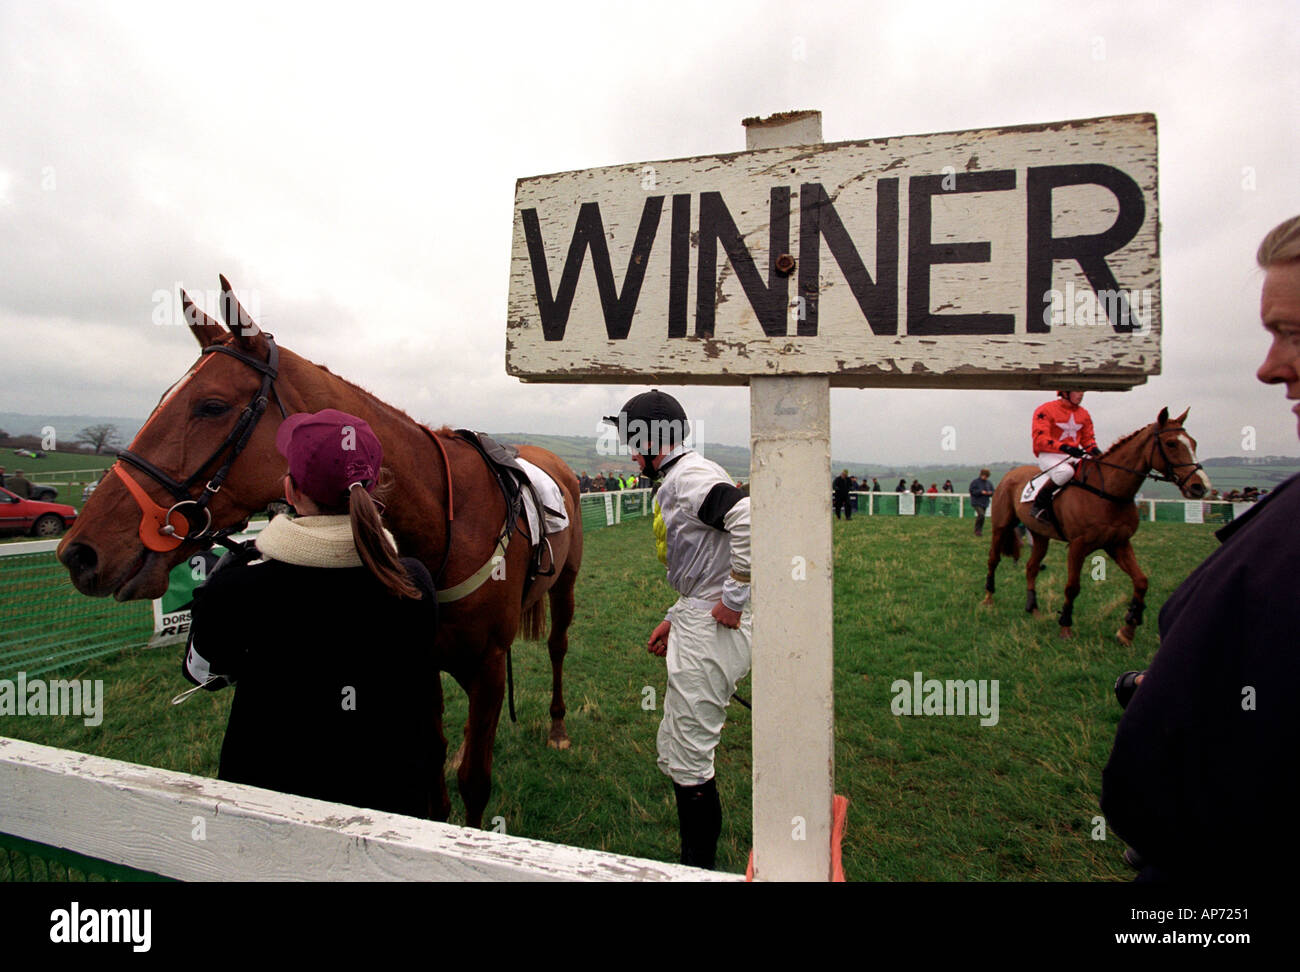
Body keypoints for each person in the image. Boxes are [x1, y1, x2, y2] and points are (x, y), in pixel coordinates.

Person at [1101, 214, 1300, 881]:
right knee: (1056, 478)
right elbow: (1059, 445)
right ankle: (1032, 521)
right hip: (1060, 455)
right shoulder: (1055, 414)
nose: (1271, 367)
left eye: (1292, 334)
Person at [183, 409, 441, 819]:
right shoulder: (413, 581)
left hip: (268, 810)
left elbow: (203, 674)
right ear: (373, 487)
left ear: (291, 490)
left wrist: (219, 586)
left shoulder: (240, 589)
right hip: (390, 806)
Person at [606, 389, 751, 870]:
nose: (629, 453)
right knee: (675, 749)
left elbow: (748, 515)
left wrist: (734, 597)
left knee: (690, 759)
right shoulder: (681, 476)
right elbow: (708, 558)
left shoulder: (689, 476)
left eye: (632, 441)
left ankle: (698, 869)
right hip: (698, 612)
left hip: (717, 621)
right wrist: (676, 612)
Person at [1030, 390, 1101, 521]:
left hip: (1072, 454)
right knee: (1065, 472)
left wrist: (1095, 450)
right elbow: (1041, 438)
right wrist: (1064, 447)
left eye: (1082, 391)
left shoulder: (1083, 414)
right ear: (1065, 392)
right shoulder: (1045, 410)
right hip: (1049, 454)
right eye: (1077, 391)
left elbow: (1088, 439)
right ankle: (1038, 504)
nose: (1081, 394)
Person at [969, 468, 994, 537]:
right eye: (984, 475)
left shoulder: (989, 483)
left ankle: (979, 530)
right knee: (981, 515)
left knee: (982, 517)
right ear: (981, 475)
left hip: (985, 502)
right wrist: (980, 492)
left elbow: (993, 491)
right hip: (976, 502)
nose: (985, 477)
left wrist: (990, 493)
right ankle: (977, 530)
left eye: (986, 476)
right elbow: (972, 491)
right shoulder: (975, 482)